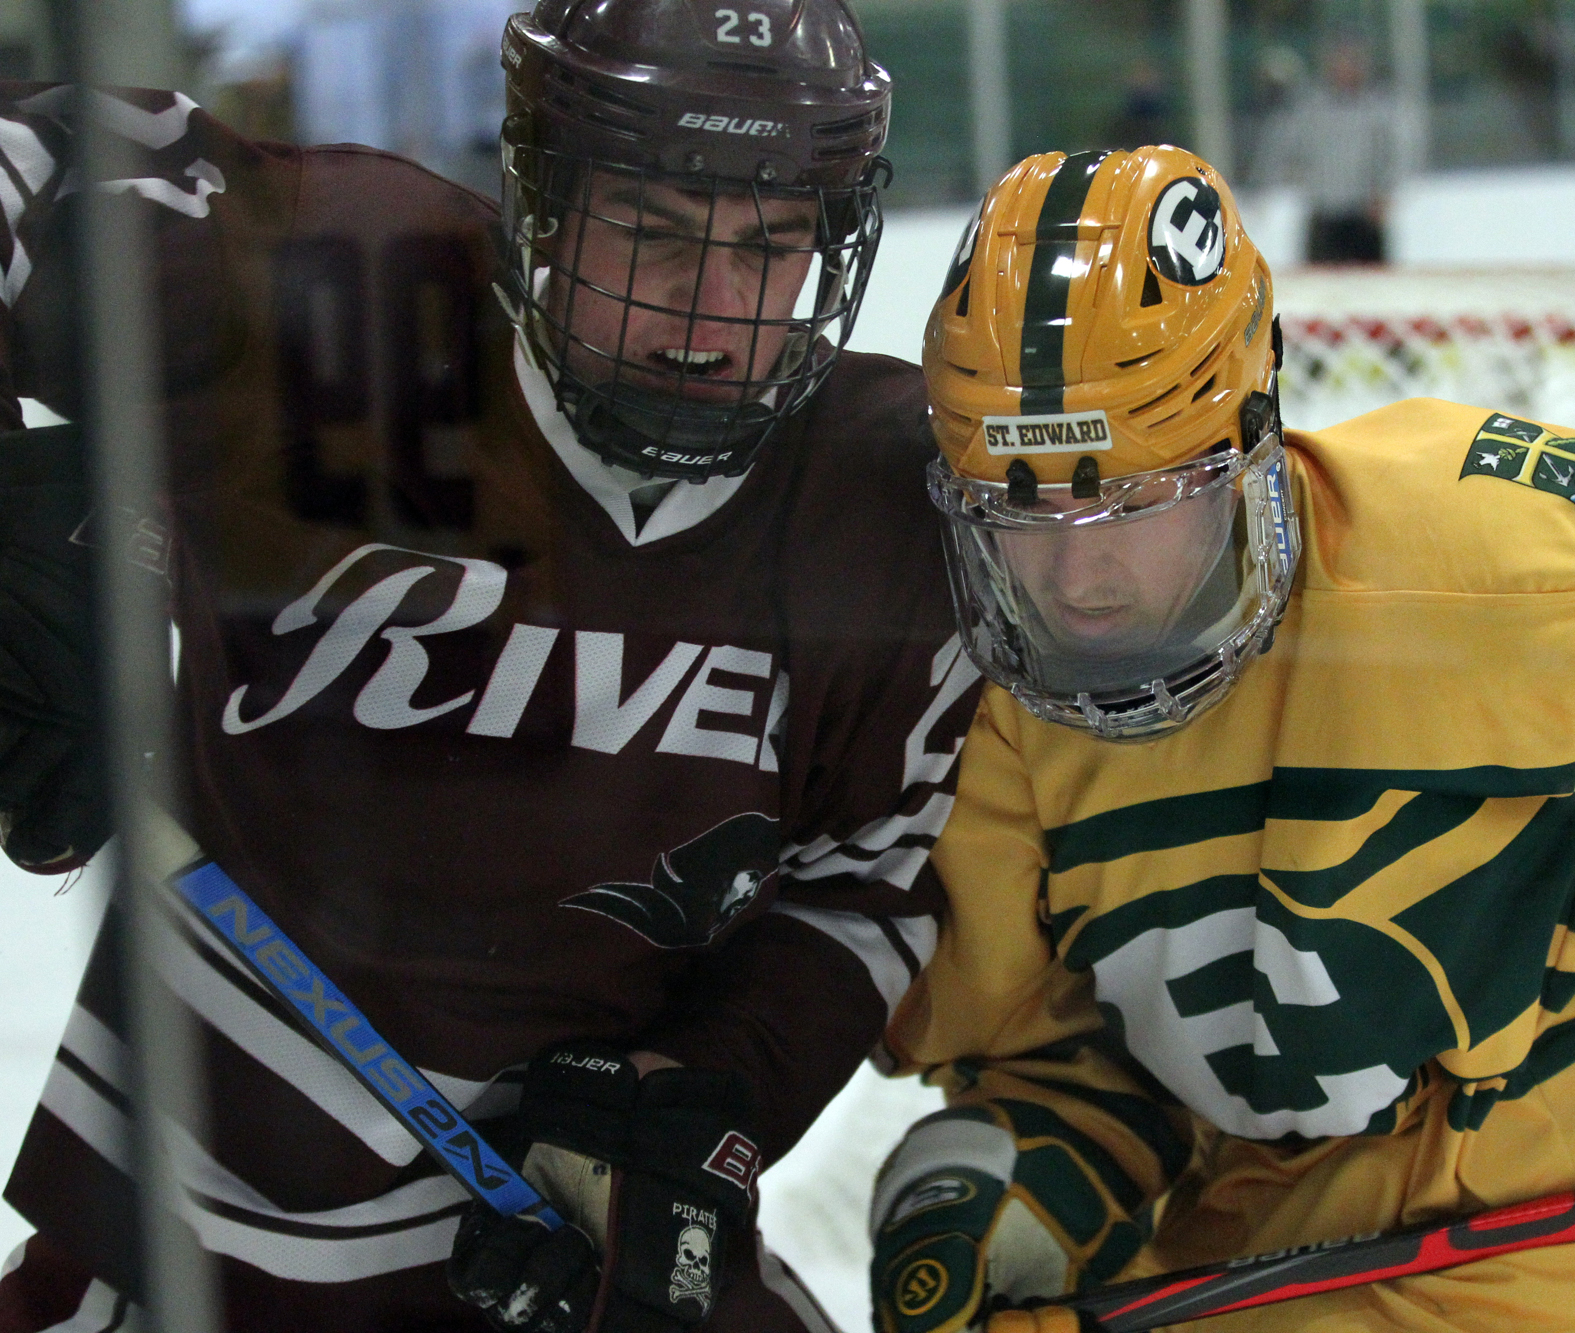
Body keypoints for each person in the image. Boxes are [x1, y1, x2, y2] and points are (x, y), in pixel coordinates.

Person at [865, 145, 1575, 1333]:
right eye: (1020, 517)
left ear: (1250, 435)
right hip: (1239, 1258)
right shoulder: (969, 720)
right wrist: (991, 1201)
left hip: (1550, 1230)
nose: (1078, 580)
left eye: (1136, 505)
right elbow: (1056, 1070)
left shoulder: (1471, 547)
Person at [0, 1, 982, 1329]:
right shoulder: (331, 285)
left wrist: (694, 1104)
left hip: (550, 1258)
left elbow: (865, 879)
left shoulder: (878, 505)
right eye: (653, 232)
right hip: (187, 1234)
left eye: (773, 246)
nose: (714, 314)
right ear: (539, 197)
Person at [1246, 38, 1401, 265]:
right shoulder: (1309, 110)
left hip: (1364, 215)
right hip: (1324, 215)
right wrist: (1262, 189)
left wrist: (1386, 191)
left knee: (1374, 286)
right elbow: (1281, 149)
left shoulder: (1378, 110)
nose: (1345, 69)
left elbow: (1395, 154)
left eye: (1352, 62)